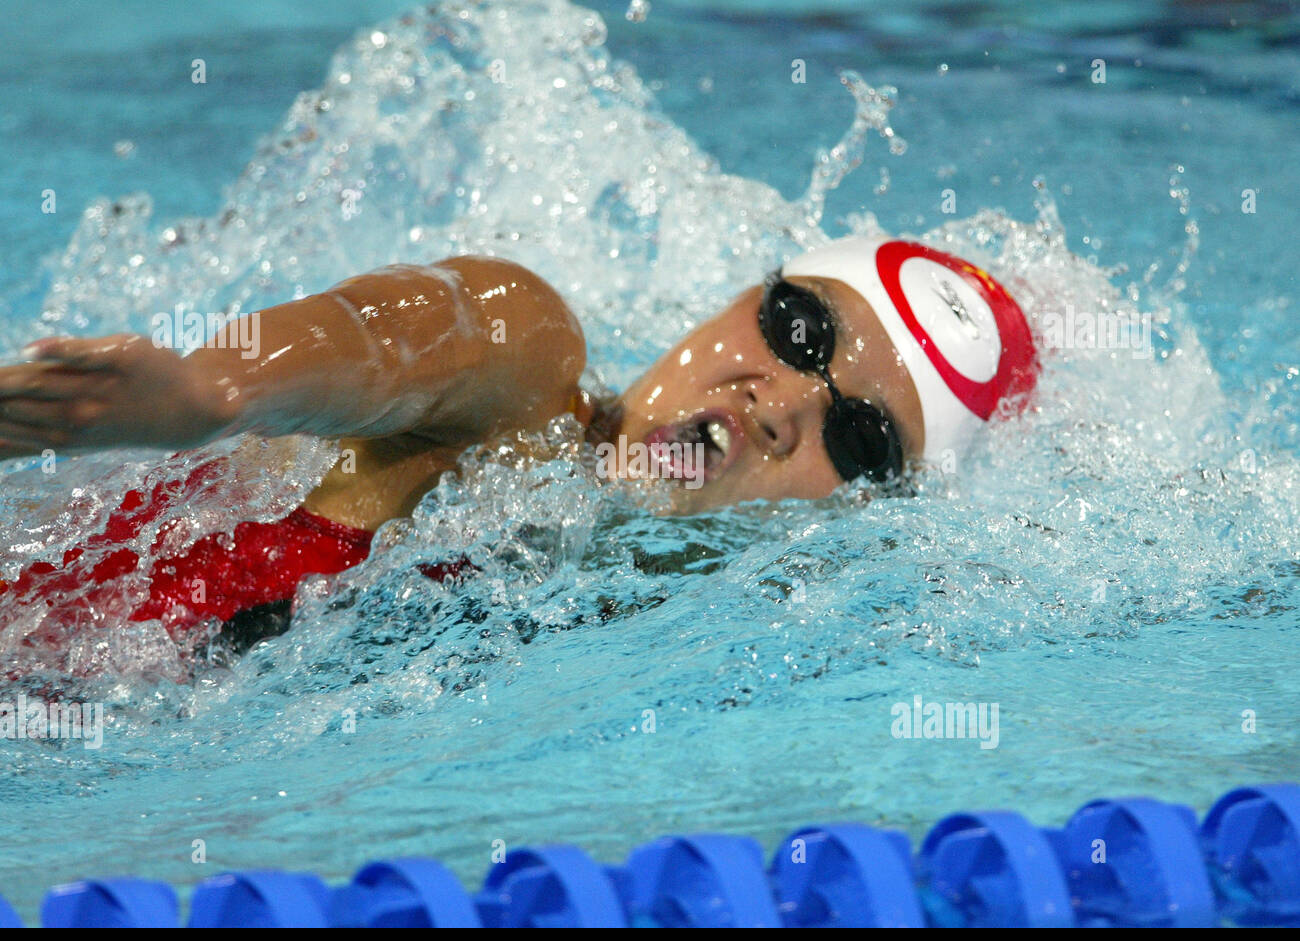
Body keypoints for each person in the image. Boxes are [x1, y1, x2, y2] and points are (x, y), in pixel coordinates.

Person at [0, 234, 1038, 644]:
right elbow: (409, 332)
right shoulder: (528, 387)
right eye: (799, 329)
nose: (781, 403)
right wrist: (207, 389)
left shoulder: (637, 631)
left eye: (859, 437)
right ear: (735, 300)